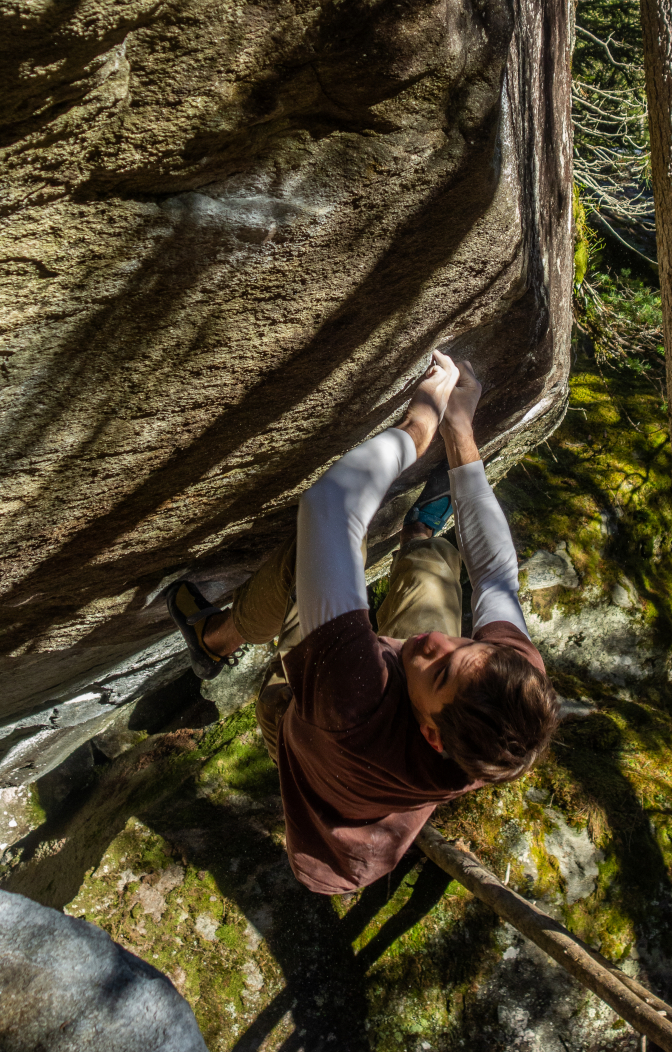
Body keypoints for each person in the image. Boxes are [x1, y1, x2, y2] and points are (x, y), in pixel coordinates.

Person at [167, 351, 559, 895]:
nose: (435, 642)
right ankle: (420, 534)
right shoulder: (507, 693)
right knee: (438, 568)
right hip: (381, 726)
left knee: (306, 558)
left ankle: (213, 641)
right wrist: (460, 428)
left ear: (430, 733)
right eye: (465, 646)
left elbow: (328, 507)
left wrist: (421, 423)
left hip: (305, 721)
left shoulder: (350, 704)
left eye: (440, 670)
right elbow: (494, 577)